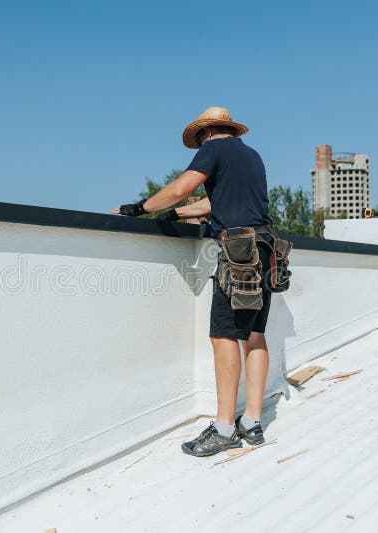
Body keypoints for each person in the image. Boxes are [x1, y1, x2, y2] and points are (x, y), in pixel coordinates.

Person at [112, 106, 273, 457]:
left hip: (239, 252)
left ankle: (225, 427)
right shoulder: (252, 156)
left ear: (206, 133)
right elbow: (215, 202)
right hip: (266, 249)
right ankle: (253, 422)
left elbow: (181, 187)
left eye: (199, 140)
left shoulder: (214, 149)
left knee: (224, 335)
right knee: (255, 335)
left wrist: (139, 208)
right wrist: (179, 213)